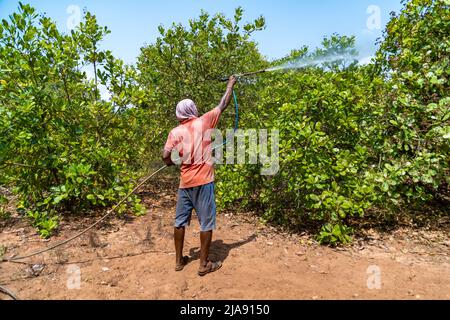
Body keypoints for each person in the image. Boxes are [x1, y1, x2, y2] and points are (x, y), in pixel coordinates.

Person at [162, 75, 237, 276]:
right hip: (204, 182)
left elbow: (165, 156)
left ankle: (179, 261)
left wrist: (170, 162)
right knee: (206, 223)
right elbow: (223, 104)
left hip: (185, 183)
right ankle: (203, 265)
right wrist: (230, 84)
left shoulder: (174, 132)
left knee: (180, 222)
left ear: (179, 114)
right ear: (193, 110)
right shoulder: (204, 122)